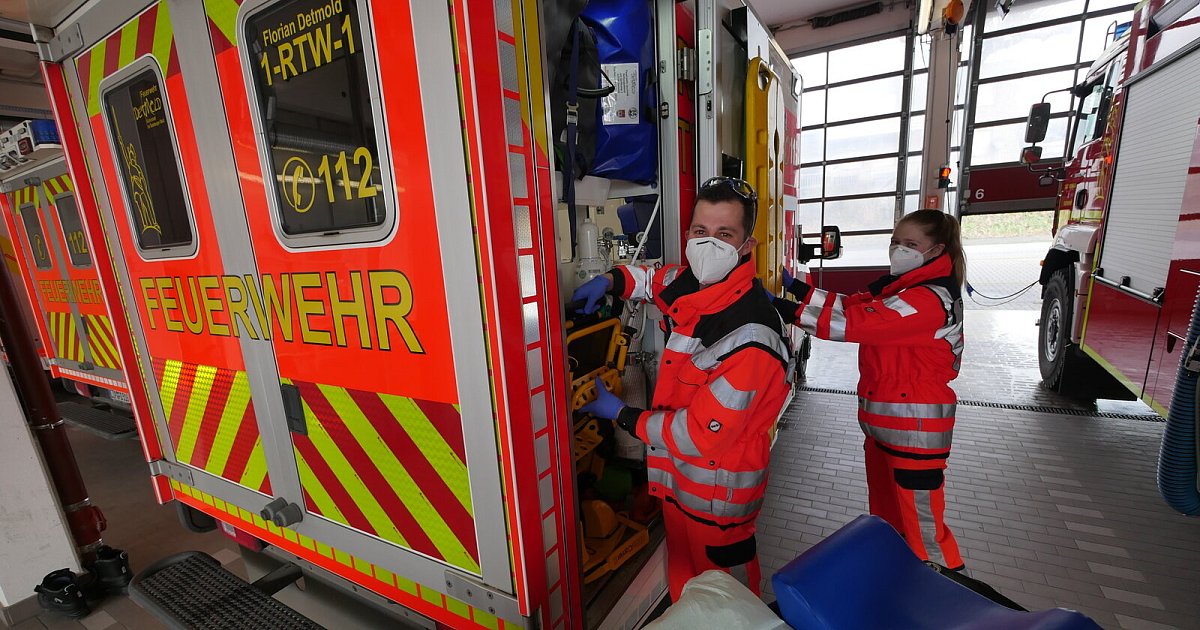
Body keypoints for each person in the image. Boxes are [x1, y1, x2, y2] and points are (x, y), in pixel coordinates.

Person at [572, 177, 792, 600]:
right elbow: (650, 280)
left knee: (724, 606)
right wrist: (610, 281)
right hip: (679, 488)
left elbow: (697, 434)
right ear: (688, 233)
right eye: (701, 231)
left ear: (746, 245)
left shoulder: (752, 338)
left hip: (718, 504)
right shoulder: (690, 283)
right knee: (684, 589)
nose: (708, 244)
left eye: (724, 234)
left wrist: (621, 414)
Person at [772, 209, 966, 570]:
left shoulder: (927, 299)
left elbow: (852, 324)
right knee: (890, 524)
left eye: (911, 244)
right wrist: (797, 289)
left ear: (938, 250)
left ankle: (952, 594)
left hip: (916, 432)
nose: (899, 250)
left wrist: (782, 308)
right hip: (891, 429)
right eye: (896, 242)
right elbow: (851, 305)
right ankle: (898, 583)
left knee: (925, 535)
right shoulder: (905, 288)